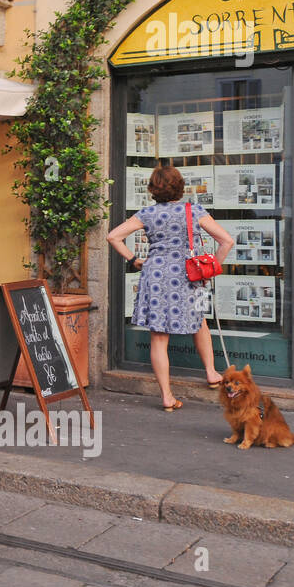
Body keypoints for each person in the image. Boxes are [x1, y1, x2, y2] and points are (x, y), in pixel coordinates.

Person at [107, 163, 234, 411]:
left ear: (153, 190)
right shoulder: (194, 211)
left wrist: (133, 260)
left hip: (154, 276)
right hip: (189, 275)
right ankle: (210, 372)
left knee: (159, 336)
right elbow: (226, 241)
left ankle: (166, 396)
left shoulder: (146, 214)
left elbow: (113, 236)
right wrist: (211, 269)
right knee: (200, 322)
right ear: (180, 187)